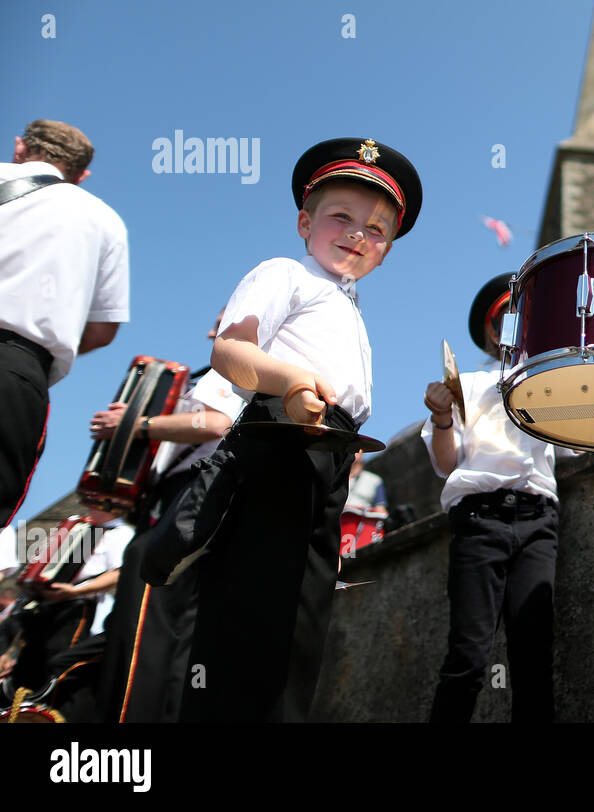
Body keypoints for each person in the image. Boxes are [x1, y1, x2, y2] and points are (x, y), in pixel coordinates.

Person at [175, 137, 421, 722]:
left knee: (300, 625)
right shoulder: (285, 272)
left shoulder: (350, 309)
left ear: (385, 253)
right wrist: (288, 380)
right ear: (304, 222)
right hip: (279, 438)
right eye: (342, 217)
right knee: (250, 614)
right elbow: (231, 349)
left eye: (377, 230)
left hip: (327, 457)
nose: (359, 234)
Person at [421, 274, 568, 722]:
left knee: (534, 657)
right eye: (505, 316)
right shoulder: (467, 384)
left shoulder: (553, 382)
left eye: (523, 315)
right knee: (468, 655)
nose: (514, 324)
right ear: (490, 330)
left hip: (537, 520)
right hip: (479, 519)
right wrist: (443, 415)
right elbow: (446, 463)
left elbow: (578, 445)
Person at [94, 314, 245, 722]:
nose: (211, 331)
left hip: (186, 497)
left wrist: (135, 425)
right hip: (184, 497)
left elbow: (216, 423)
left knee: (144, 627)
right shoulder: (225, 374)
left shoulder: (226, 372)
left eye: (221, 322)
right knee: (176, 636)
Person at [0, 120, 130, 527]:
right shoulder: (105, 220)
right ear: (82, 174)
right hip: (16, 370)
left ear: (20, 146)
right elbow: (102, 330)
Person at [0, 508, 133, 722]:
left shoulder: (120, 533)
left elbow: (118, 573)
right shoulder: (76, 526)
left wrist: (74, 591)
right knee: (26, 673)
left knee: (58, 670)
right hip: (42, 608)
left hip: (75, 608)